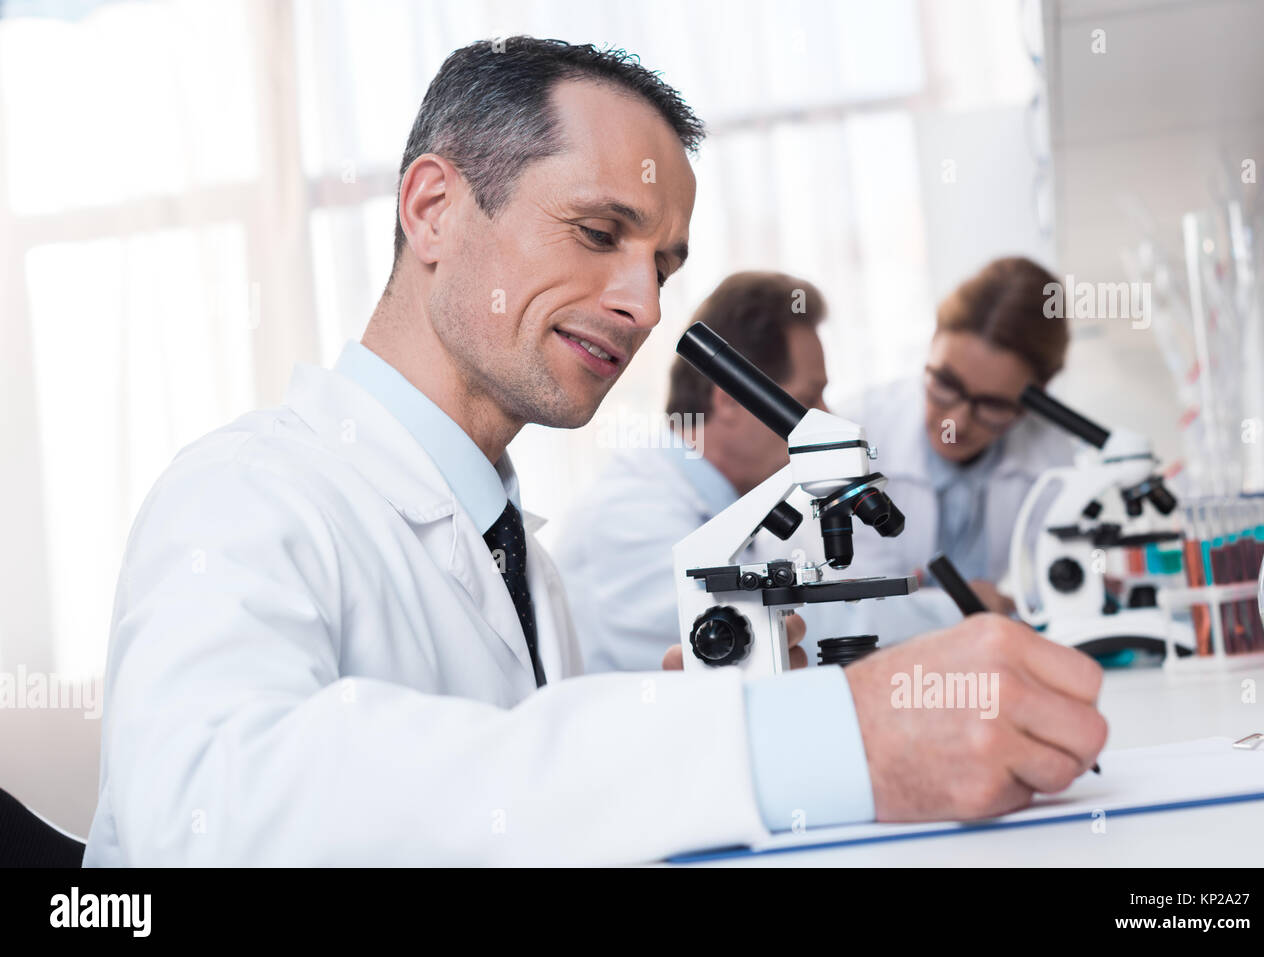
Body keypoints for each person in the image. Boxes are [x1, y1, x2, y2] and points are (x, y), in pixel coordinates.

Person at [84, 38, 1105, 866]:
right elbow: (205, 813)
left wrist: (684, 721)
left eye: (661, 262)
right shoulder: (243, 496)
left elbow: (508, 811)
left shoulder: (520, 557)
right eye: (595, 230)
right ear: (432, 209)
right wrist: (789, 744)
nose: (645, 304)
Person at [551, 271, 830, 673]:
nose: (827, 418)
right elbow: (790, 633)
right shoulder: (627, 522)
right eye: (807, 400)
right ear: (731, 400)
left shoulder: (733, 508)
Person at [811, 257, 1077, 642]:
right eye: (945, 384)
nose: (958, 422)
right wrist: (960, 606)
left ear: (1035, 402)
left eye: (993, 405)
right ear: (931, 344)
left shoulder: (1049, 455)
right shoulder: (857, 431)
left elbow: (1058, 591)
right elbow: (850, 606)